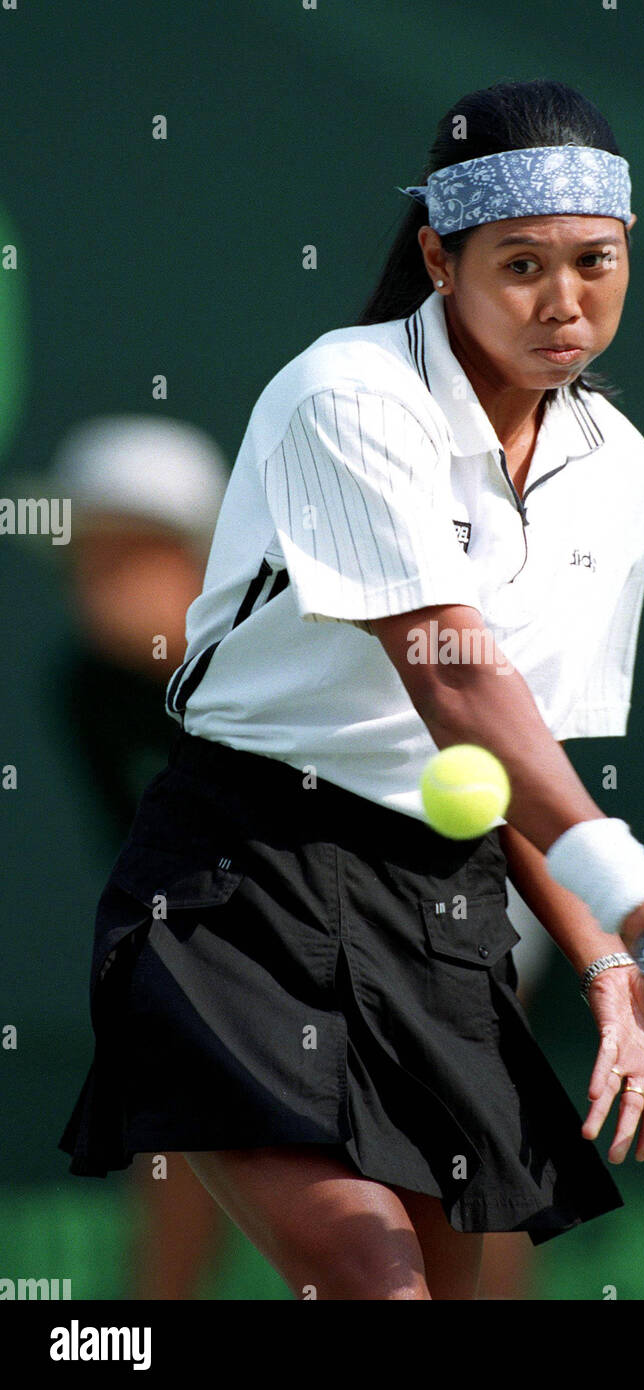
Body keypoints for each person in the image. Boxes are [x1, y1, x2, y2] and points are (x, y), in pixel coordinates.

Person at [59, 78, 644, 1301]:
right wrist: (640, 897)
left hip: (444, 905)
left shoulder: (619, 472)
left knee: (452, 1293)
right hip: (241, 879)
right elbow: (455, 679)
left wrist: (603, 961)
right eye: (519, 264)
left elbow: (520, 756)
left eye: (594, 261)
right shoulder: (347, 394)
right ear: (440, 257)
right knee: (373, 1279)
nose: (563, 302)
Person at [48, 416, 233, 1299]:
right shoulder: (85, 687)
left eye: (127, 554)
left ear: (200, 558)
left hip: (426, 915)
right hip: (230, 948)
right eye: (85, 556)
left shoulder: (276, 663)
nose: (97, 581)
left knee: (448, 1173)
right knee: (177, 1140)